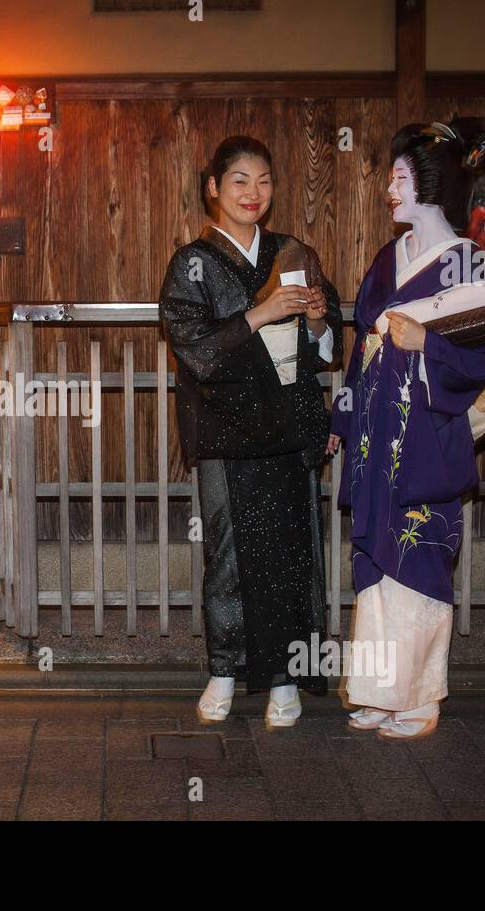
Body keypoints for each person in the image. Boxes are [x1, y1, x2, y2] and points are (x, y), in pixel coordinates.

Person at [328, 123, 485, 740]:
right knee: (375, 560)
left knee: (420, 556)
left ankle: (422, 696)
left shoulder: (466, 263)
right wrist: (343, 417)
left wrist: (426, 340)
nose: (389, 188)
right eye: (390, 176)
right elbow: (360, 349)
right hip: (378, 432)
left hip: (427, 435)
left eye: (400, 176)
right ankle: (380, 691)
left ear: (432, 184)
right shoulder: (388, 259)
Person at [159, 135, 342, 727]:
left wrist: (317, 320)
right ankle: (224, 668)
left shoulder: (294, 251)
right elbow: (196, 351)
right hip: (226, 430)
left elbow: (325, 350)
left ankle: (284, 677)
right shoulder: (193, 263)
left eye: (263, 181)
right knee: (229, 553)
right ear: (213, 188)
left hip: (287, 427)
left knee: (291, 555)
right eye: (239, 180)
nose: (253, 193)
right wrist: (259, 314)